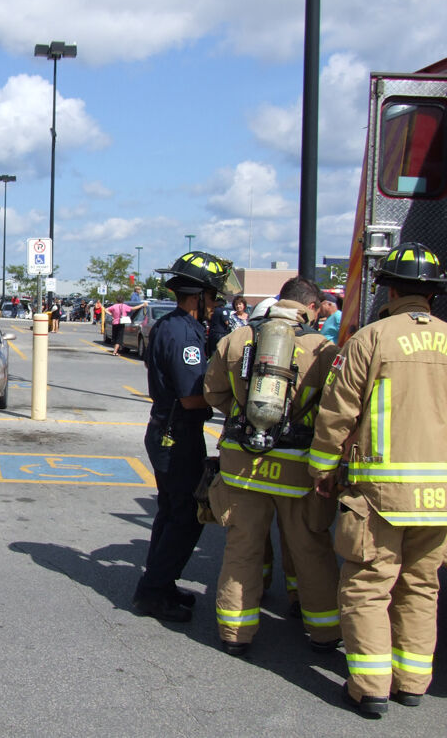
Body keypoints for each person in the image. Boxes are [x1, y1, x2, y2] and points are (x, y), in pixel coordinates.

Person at [309, 242, 447, 718]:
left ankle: (371, 687)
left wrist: (324, 468)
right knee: (421, 586)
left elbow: (337, 412)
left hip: (380, 495)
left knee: (369, 585)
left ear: (388, 287)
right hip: (441, 497)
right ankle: (413, 682)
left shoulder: (371, 339)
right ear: (433, 294)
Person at [204, 277, 341, 656]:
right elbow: (336, 409)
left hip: (242, 464)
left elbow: (212, 391)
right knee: (310, 548)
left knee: (242, 547)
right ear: (312, 308)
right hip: (297, 469)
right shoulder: (324, 348)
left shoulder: (237, 339)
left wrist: (244, 414)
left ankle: (235, 633)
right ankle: (325, 633)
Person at [133, 250, 240, 622]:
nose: (217, 304)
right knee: (185, 517)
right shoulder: (182, 334)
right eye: (213, 296)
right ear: (198, 297)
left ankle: (160, 584)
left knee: (170, 514)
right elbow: (192, 396)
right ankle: (153, 593)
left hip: (172, 431)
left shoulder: (179, 326)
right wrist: (232, 399)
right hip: (176, 434)